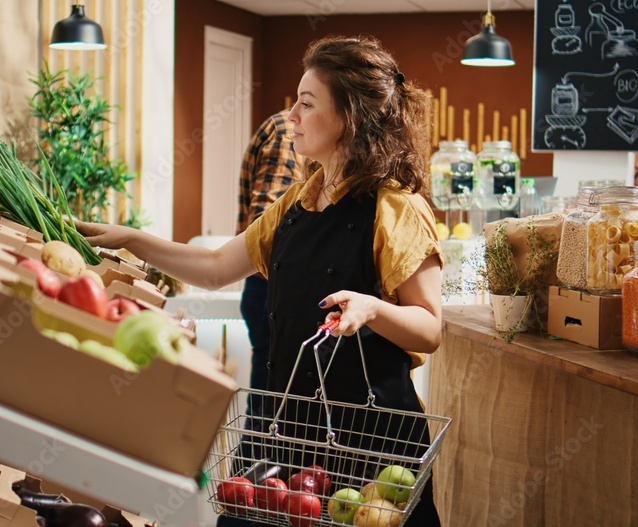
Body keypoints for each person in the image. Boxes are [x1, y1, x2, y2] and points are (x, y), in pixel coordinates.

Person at [76, 35, 444, 526]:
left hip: (370, 450)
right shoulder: (296, 204)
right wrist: (133, 240)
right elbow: (214, 268)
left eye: (307, 104)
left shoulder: (396, 208)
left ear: (349, 118)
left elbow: (430, 328)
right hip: (290, 436)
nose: (290, 116)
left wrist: (372, 308)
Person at [236, 108, 304, 401]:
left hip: (271, 287)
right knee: (267, 420)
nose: (296, 112)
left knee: (270, 415)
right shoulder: (288, 133)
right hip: (271, 288)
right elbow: (272, 231)